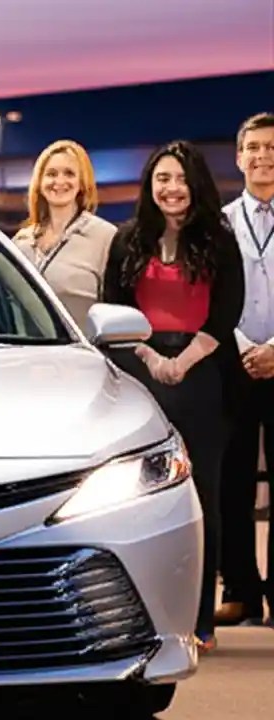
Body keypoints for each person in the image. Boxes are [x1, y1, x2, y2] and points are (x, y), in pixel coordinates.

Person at [100, 139, 243, 653]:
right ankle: (136, 617)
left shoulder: (218, 239)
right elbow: (111, 307)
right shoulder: (127, 239)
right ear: (150, 186)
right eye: (163, 179)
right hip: (139, 369)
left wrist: (182, 361)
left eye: (180, 179)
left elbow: (227, 312)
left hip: (204, 373)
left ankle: (200, 620)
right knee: (136, 494)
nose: (172, 188)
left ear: (195, 184)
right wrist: (152, 358)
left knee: (201, 498)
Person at [218, 111, 274, 627]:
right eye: (253, 147)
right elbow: (209, 296)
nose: (263, 156)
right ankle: (239, 588)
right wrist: (241, 346)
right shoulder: (220, 223)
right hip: (234, 365)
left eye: (271, 147)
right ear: (239, 157)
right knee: (232, 480)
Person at [10, 139, 117, 332]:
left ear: (82, 183)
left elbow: (118, 311)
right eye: (51, 174)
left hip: (81, 357)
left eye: (69, 174)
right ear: (40, 182)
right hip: (24, 355)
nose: (59, 182)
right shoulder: (20, 242)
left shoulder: (105, 237)